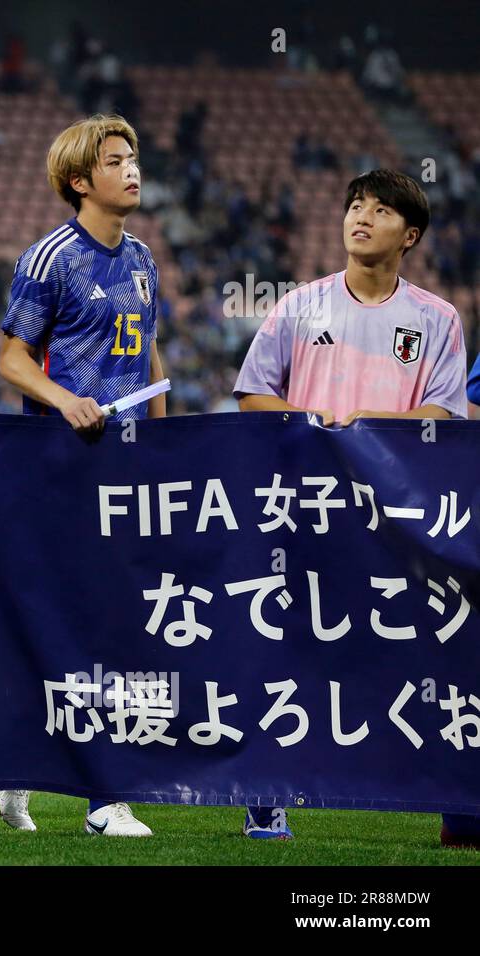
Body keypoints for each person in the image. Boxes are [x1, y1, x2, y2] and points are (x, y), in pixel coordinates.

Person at [236, 168, 470, 846]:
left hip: (396, 518)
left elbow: (445, 412)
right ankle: (267, 794)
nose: (362, 217)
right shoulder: (299, 306)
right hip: (305, 509)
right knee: (287, 650)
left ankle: (453, 801)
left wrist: (369, 425)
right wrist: (318, 423)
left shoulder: (436, 319)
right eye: (356, 206)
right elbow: (253, 394)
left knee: (422, 654)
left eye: (382, 209)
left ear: (411, 235)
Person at [0, 114, 164, 837]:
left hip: (127, 472)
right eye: (117, 160)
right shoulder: (50, 259)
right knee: (70, 625)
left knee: (119, 628)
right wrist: (67, 401)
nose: (133, 170)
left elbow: (149, 361)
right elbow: (10, 358)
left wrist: (160, 445)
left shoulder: (145, 260)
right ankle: (73, 786)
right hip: (61, 470)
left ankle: (99, 790)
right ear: (78, 180)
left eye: (134, 158)